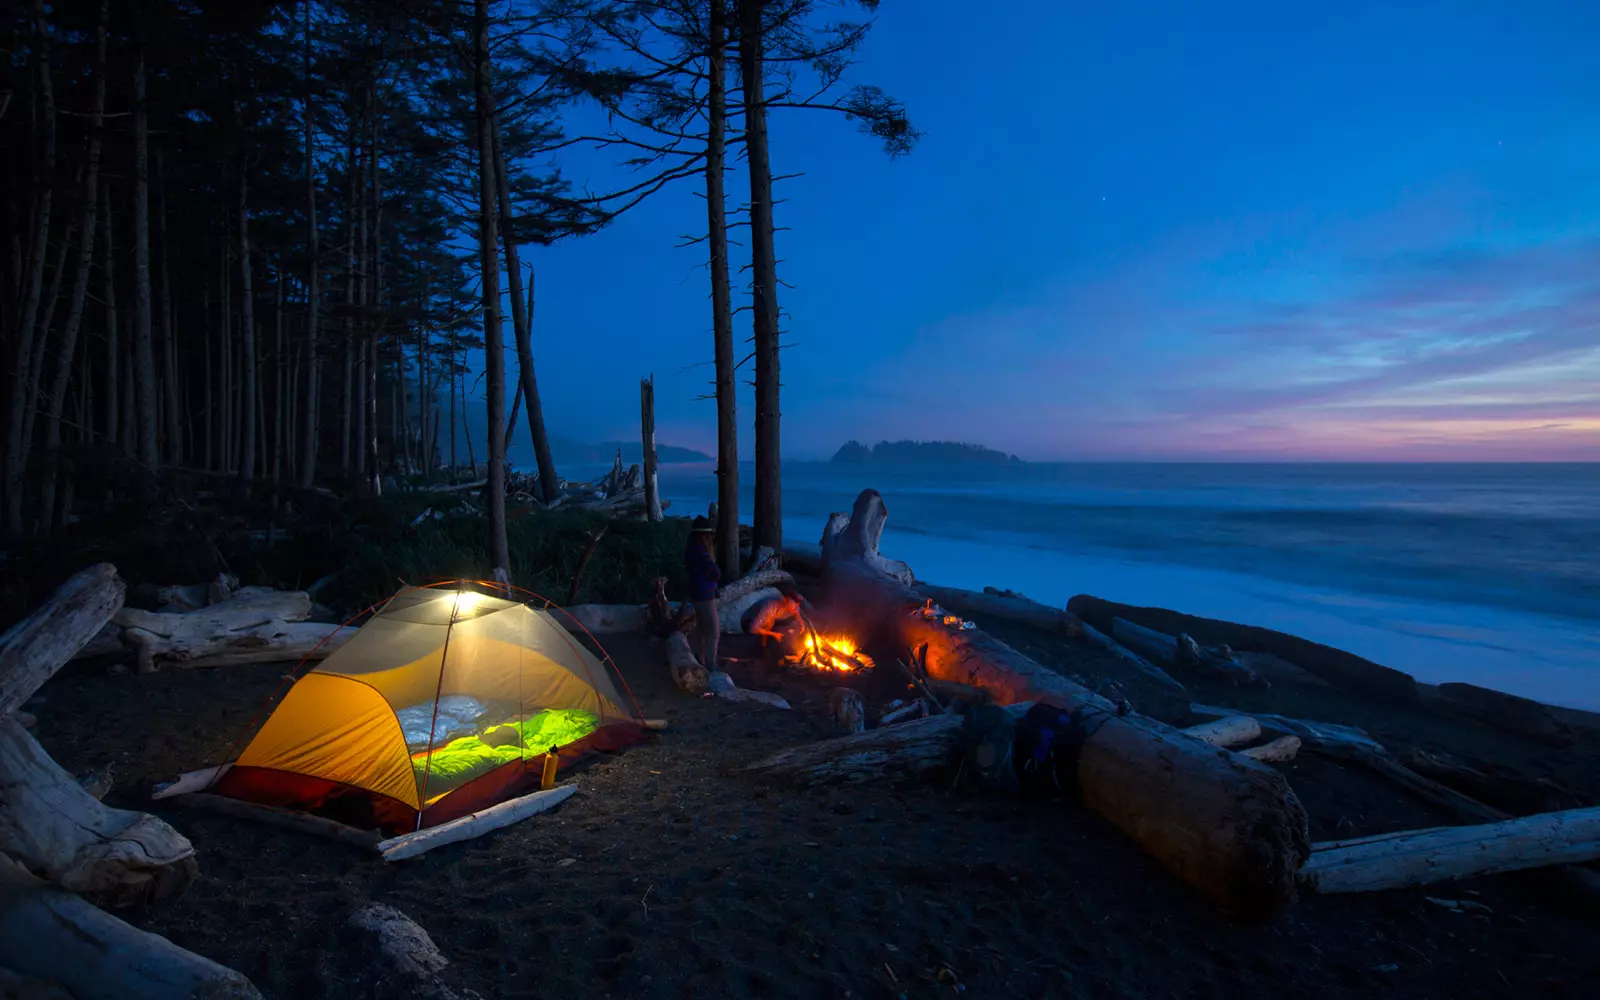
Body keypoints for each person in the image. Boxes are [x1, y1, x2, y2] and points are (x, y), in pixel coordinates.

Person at [684, 517, 721, 669]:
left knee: (702, 628)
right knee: (713, 631)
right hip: (705, 595)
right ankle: (711, 665)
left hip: (697, 593)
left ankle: (701, 658)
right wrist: (712, 558)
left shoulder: (691, 548)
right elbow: (715, 572)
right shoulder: (700, 552)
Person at [746, 581, 811, 659]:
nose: (797, 606)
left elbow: (796, 612)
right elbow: (753, 628)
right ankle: (762, 648)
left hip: (773, 618)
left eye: (798, 604)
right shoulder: (770, 608)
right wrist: (774, 634)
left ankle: (786, 647)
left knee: (790, 627)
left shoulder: (793, 606)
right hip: (749, 621)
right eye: (795, 603)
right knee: (769, 624)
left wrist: (801, 624)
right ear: (785, 599)